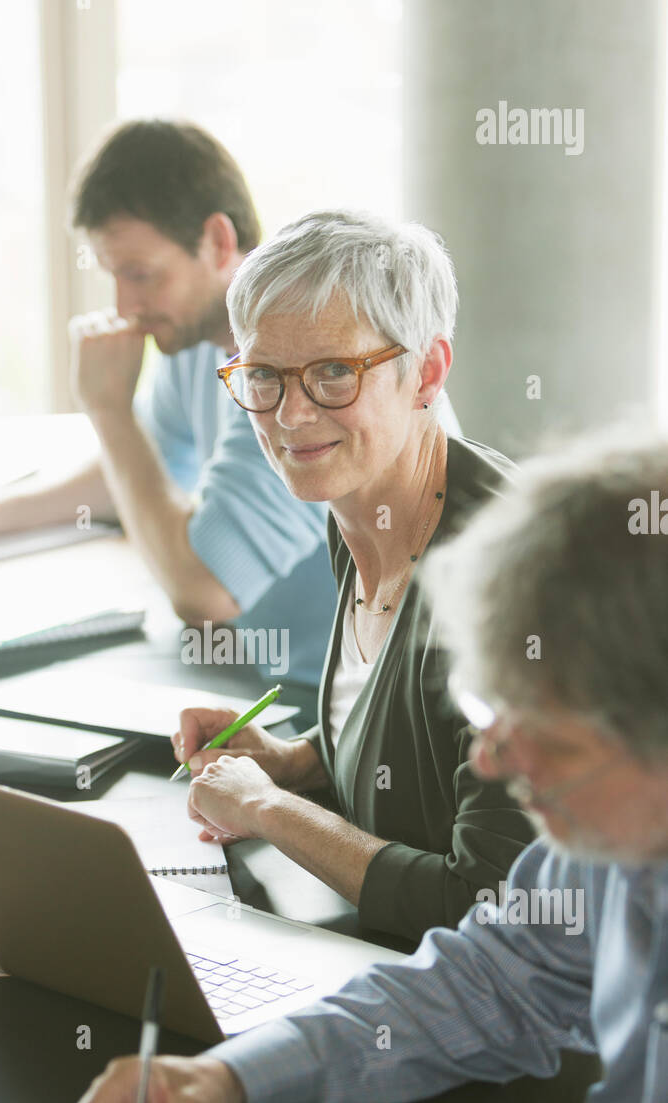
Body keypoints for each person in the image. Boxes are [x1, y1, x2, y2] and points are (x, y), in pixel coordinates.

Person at [10, 430, 668, 1103]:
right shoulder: (612, 841)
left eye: (544, 733)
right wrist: (229, 1084)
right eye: (487, 708)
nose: (493, 764)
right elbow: (491, 983)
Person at [0, 124, 459, 685]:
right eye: (113, 276)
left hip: (318, 698)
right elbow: (140, 466)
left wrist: (108, 408)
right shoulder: (197, 343)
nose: (125, 305)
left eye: (140, 274)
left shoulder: (285, 379)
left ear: (216, 241)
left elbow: (202, 591)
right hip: (254, 675)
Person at [173, 211, 533, 944]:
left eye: (334, 372)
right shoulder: (359, 509)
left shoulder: (515, 589)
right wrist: (293, 762)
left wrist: (269, 809)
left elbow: (487, 906)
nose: (291, 414)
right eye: (265, 375)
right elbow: (427, 752)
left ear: (426, 373)